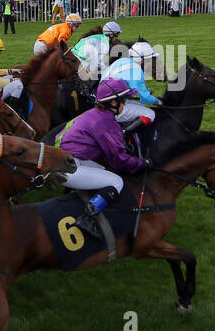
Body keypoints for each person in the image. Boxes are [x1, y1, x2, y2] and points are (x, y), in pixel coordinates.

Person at [53, 78, 151, 234]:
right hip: (68, 165)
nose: (126, 104)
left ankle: (79, 198)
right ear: (113, 103)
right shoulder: (106, 121)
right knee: (117, 182)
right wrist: (141, 163)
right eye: (124, 100)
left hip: (66, 158)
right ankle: (87, 218)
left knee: (105, 171)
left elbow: (109, 155)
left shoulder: (95, 113)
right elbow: (119, 160)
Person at [103, 40, 160, 131]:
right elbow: (145, 98)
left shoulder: (120, 61)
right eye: (149, 60)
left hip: (103, 102)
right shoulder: (136, 70)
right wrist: (159, 102)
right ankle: (123, 135)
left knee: (141, 108)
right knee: (150, 114)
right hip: (113, 106)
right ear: (141, 60)